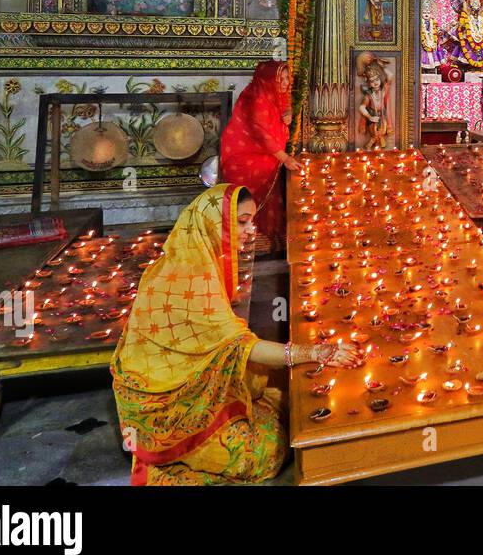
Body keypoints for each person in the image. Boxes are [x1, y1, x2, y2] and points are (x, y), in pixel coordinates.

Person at [111, 184, 362, 485]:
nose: (250, 230)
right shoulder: (186, 277)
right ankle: (168, 458)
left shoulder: (196, 259)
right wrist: (313, 353)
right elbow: (239, 344)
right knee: (266, 453)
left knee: (281, 387)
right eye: (241, 221)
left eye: (251, 221)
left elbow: (222, 342)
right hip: (162, 411)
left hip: (183, 382)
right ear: (210, 221)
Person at [219, 61, 300, 251]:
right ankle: (245, 244)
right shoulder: (257, 99)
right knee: (248, 204)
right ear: (268, 81)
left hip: (266, 159)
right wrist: (285, 158)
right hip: (246, 160)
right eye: (281, 79)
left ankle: (264, 240)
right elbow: (261, 134)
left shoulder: (275, 96)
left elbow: (280, 113)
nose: (286, 82)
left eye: (288, 78)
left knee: (268, 201)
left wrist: (287, 114)